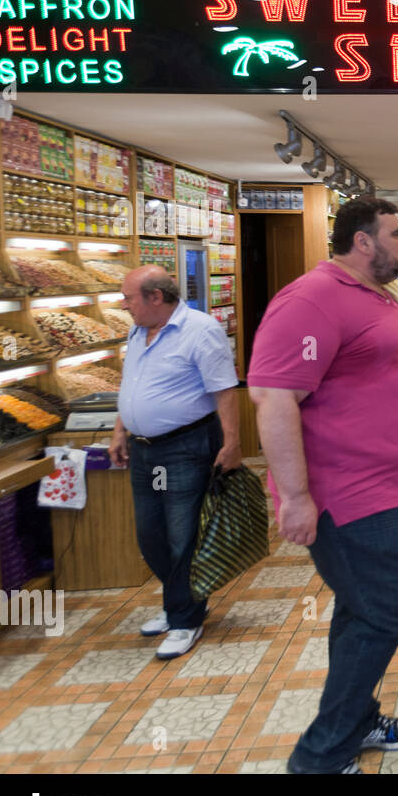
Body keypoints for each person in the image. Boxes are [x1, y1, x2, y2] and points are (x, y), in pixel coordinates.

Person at [248, 196, 398, 775]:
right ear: (363, 242)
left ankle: (356, 720)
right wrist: (296, 496)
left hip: (392, 491)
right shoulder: (311, 299)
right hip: (355, 496)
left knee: (360, 612)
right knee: (385, 611)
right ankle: (320, 755)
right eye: (397, 233)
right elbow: (273, 396)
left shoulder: (375, 293)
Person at [108, 266, 240, 660]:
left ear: (155, 297)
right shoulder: (137, 332)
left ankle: (184, 618)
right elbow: (130, 384)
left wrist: (232, 442)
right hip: (144, 449)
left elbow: (225, 390)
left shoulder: (200, 330)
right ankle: (178, 603)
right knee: (151, 535)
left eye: (129, 297)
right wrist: (120, 430)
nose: (123, 304)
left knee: (182, 534)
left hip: (184, 447)